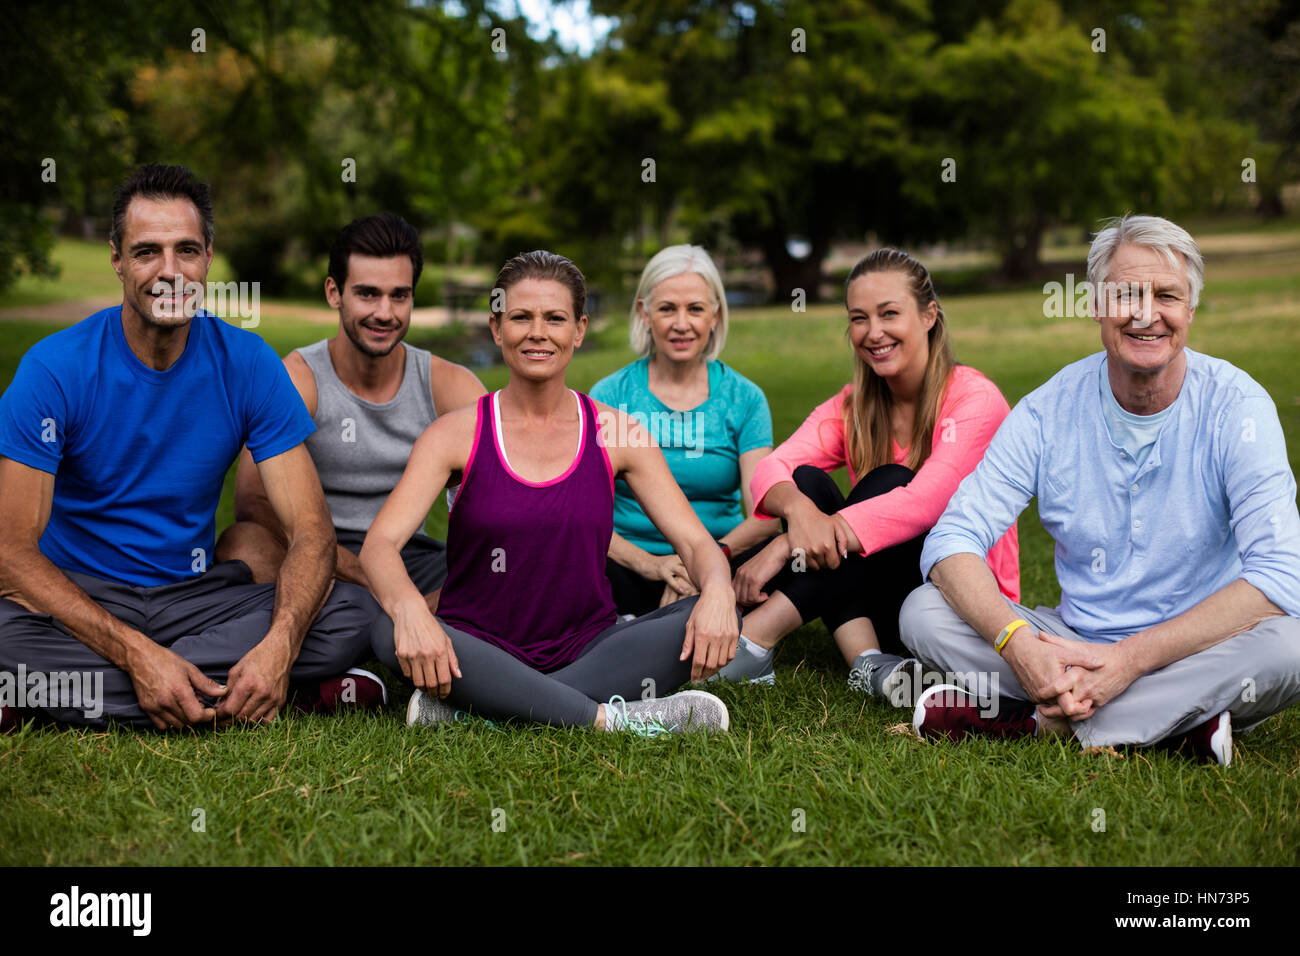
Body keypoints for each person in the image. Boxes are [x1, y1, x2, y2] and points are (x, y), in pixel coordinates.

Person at [904, 214, 1300, 765]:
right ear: (1094, 305)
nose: (1146, 313)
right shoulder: (1047, 410)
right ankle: (1176, 725)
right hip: (1068, 638)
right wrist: (1017, 642)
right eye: (1126, 294)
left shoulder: (1238, 407)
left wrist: (1131, 661)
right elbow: (951, 542)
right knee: (922, 611)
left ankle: (1039, 723)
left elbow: (1280, 574)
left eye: (1166, 295)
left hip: (1198, 646)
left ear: (1189, 309)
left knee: (1292, 647)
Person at [0, 164, 379, 732]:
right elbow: (10, 551)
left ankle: (64, 694)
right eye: (147, 251)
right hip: (83, 595)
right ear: (117, 259)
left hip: (192, 596)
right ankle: (233, 692)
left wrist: (278, 645)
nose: (169, 272)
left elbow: (310, 531)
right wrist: (133, 651)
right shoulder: (54, 370)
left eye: (187, 250)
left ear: (208, 257)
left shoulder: (248, 365)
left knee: (351, 612)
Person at [362, 250, 738, 734]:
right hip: (474, 645)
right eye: (521, 317)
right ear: (497, 329)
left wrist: (720, 594)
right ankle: (606, 717)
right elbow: (380, 546)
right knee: (386, 630)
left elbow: (694, 544)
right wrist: (412, 610)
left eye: (555, 318)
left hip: (588, 643)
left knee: (708, 609)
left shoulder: (616, 433)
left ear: (578, 330)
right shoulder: (455, 434)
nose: (538, 332)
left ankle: (489, 706)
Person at [718, 248, 1019, 701]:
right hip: (876, 600)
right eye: (859, 318)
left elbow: (924, 502)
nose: (873, 332)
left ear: (929, 316)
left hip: (952, 606)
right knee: (807, 483)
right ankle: (867, 662)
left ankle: (758, 634)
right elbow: (772, 468)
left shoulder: (975, 400)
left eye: (889, 314)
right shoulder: (854, 406)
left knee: (891, 482)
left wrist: (785, 543)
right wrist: (799, 511)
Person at [215, 213, 485, 613]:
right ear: (333, 292)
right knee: (242, 543)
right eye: (368, 294)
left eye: (399, 295)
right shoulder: (297, 379)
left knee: (504, 564)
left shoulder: (448, 384)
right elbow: (255, 504)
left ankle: (382, 618)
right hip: (313, 555)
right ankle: (395, 616)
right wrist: (365, 577)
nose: (385, 312)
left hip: (410, 559)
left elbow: (509, 479)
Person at [590, 245, 776, 616]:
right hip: (630, 564)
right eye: (666, 309)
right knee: (568, 547)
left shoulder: (745, 398)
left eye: (695, 309)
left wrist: (707, 562)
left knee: (781, 551)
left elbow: (764, 515)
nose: (681, 323)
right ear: (644, 312)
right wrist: (651, 564)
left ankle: (710, 616)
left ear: (714, 315)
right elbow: (586, 512)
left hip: (721, 558)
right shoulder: (610, 395)